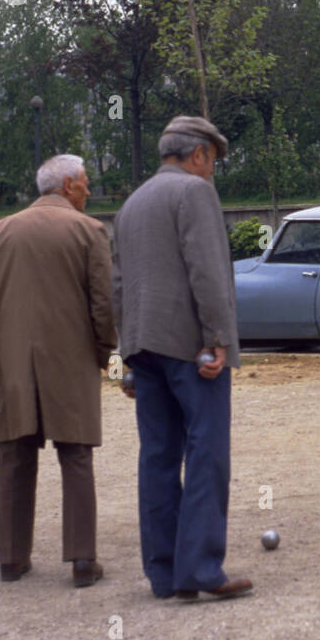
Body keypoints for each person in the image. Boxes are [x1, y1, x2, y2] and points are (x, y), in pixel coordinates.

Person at [112, 115, 251, 601]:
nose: (212, 171)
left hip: (143, 345)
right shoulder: (195, 193)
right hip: (191, 348)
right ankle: (201, 569)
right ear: (198, 155)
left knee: (158, 458)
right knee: (207, 453)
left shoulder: (132, 203)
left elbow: (118, 285)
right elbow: (208, 272)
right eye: (212, 161)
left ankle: (165, 574)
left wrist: (127, 354)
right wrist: (218, 339)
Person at [0, 153, 117, 587]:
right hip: (73, 362)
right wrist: (103, 352)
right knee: (77, 456)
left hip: (12, 365)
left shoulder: (2, 231)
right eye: (85, 182)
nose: (89, 189)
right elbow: (103, 304)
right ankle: (82, 560)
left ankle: (12, 558)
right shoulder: (90, 231)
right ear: (68, 185)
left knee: (13, 456)